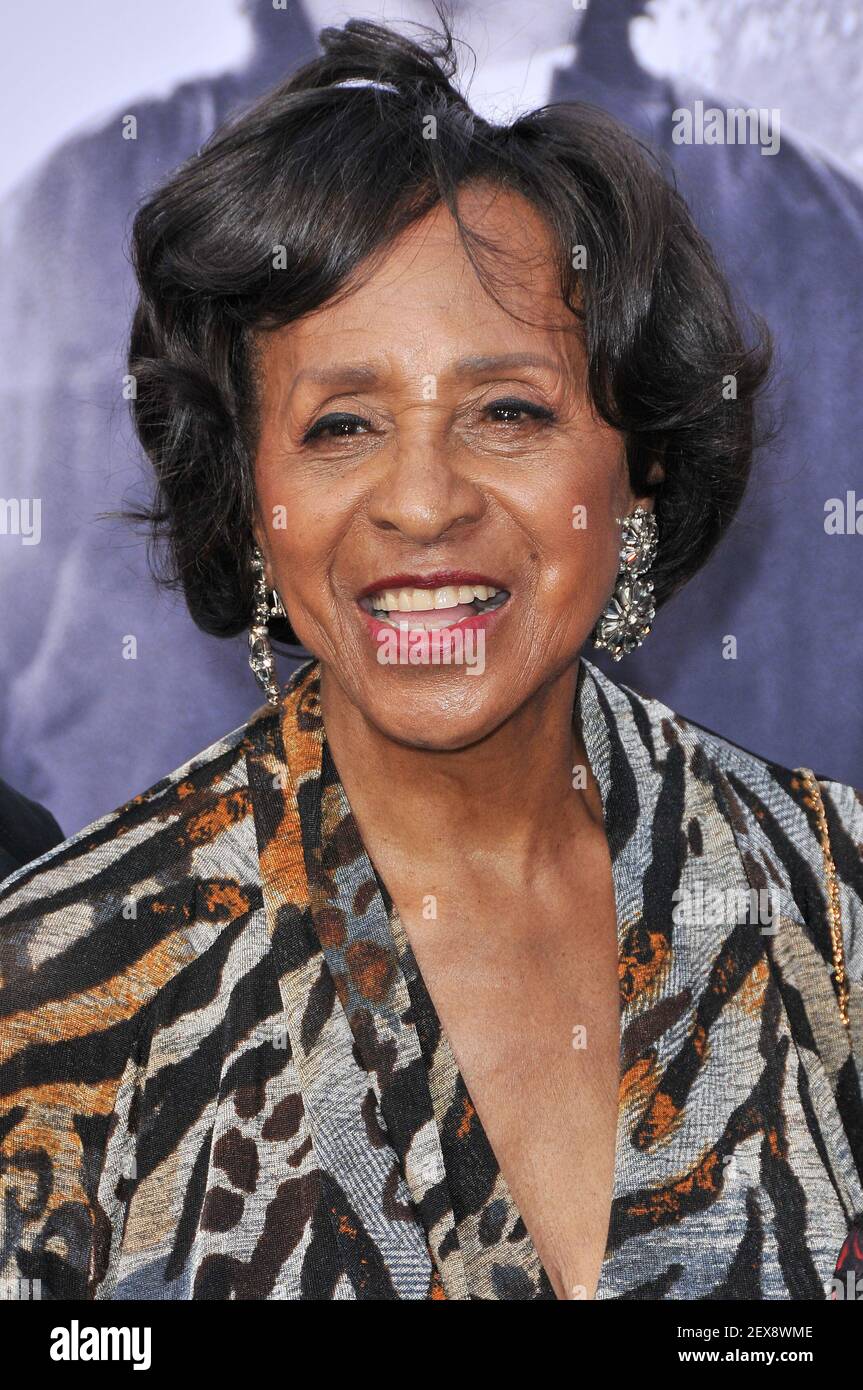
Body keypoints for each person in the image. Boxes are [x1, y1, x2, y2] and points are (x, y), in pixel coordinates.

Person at [0, 20, 861, 1303]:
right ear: (248, 500)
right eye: (339, 424)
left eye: (507, 411)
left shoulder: (833, 903)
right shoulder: (54, 978)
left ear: (642, 467)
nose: (419, 501)